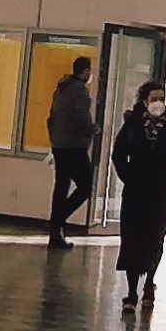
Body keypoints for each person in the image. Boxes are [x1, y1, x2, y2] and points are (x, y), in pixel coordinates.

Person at [112, 81, 166, 312]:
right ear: (145, 101)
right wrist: (128, 176)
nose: (158, 103)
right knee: (132, 238)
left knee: (155, 238)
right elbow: (119, 154)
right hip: (136, 191)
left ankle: (149, 283)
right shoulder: (133, 124)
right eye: (154, 98)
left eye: (161, 98)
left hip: (161, 191)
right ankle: (131, 292)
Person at [45, 55, 97, 248]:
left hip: (59, 144)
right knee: (85, 187)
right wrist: (92, 130)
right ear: (85, 72)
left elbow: (51, 118)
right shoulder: (80, 91)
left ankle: (55, 234)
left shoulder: (61, 89)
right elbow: (82, 118)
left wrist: (54, 139)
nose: (89, 75)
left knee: (61, 186)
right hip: (74, 146)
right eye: (89, 71)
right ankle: (56, 221)